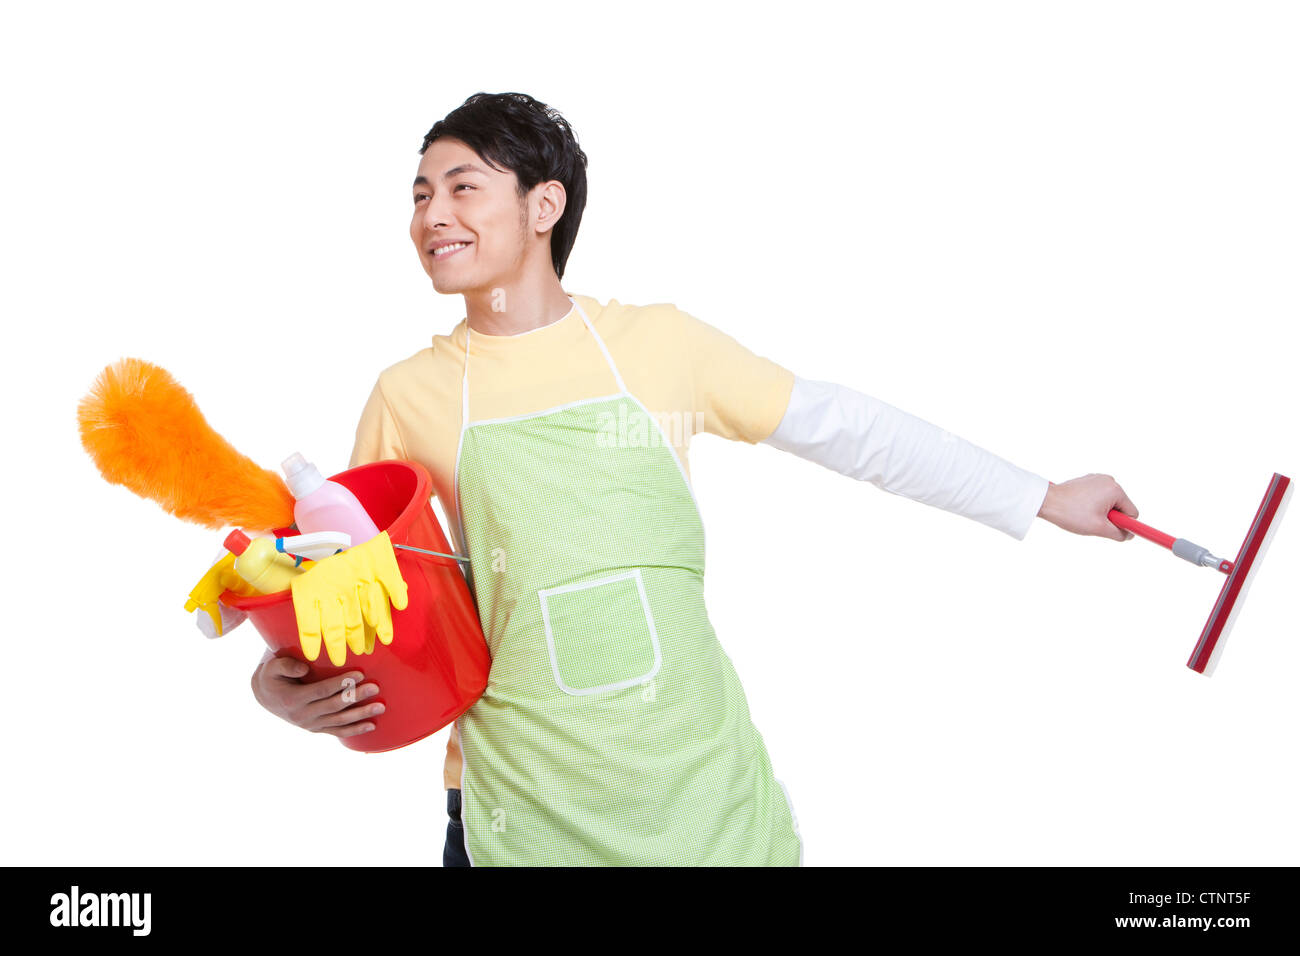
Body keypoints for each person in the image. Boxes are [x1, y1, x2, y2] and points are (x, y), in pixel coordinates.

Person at [250, 92, 1139, 866]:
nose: (432, 214)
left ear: (543, 205)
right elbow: (371, 602)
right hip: (520, 812)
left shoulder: (658, 345)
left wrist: (1041, 495)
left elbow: (847, 428)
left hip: (697, 797)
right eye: (419, 196)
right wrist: (280, 684)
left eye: (462, 186)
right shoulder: (409, 395)